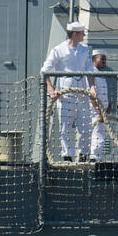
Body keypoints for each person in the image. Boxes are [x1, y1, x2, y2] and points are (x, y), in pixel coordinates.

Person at [41, 21, 100, 161]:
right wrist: (51, 89)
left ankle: (83, 154)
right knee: (65, 127)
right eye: (82, 33)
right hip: (65, 94)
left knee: (85, 127)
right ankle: (67, 155)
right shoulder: (58, 50)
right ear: (75, 34)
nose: (84, 35)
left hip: (82, 93)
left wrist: (92, 88)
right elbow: (44, 71)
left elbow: (89, 71)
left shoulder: (85, 50)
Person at [88, 49, 111, 161]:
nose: (104, 61)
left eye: (105, 59)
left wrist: (108, 105)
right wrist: (99, 110)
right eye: (102, 59)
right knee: (97, 134)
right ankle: (94, 158)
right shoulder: (91, 73)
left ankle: (97, 157)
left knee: (100, 134)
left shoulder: (100, 74)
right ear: (94, 59)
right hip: (95, 112)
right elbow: (91, 94)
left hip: (102, 111)